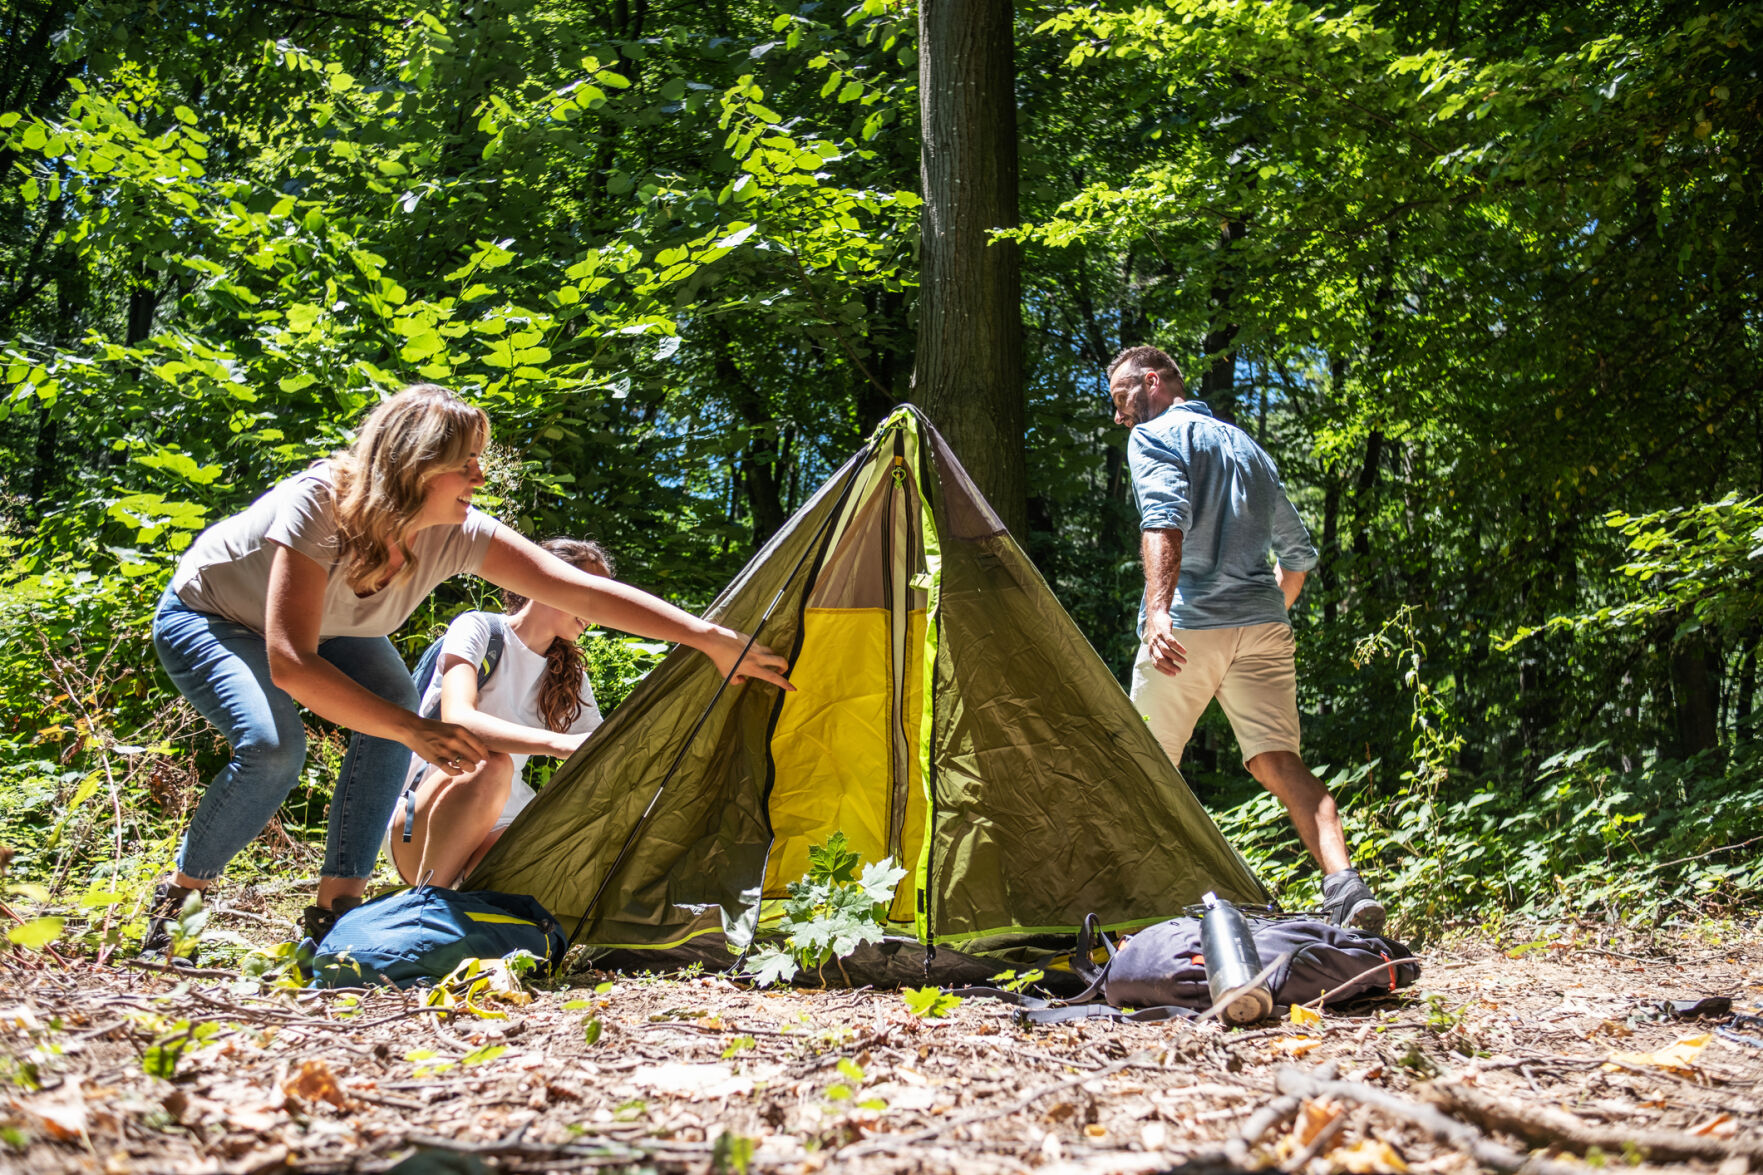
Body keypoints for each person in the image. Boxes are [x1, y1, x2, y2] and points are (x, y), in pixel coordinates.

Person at [147, 384, 791, 953]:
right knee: (273, 749)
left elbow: (581, 591)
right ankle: (180, 902)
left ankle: (332, 910)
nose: (479, 477)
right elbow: (291, 662)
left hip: (337, 628)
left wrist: (708, 638)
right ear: (414, 467)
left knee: (389, 723)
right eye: (465, 464)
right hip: (216, 615)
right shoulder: (320, 505)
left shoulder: (461, 531)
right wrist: (415, 729)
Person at [1106, 345, 1384, 932]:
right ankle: (1346, 888)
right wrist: (1264, 610)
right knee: (1279, 763)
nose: (1119, 416)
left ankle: (1140, 911)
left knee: (1143, 766)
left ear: (1151, 380)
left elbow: (1164, 519)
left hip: (1188, 626)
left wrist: (1160, 612)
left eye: (1120, 398)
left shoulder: (1155, 437)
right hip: (1262, 626)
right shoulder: (1246, 445)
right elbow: (1300, 554)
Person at [386, 537, 611, 890]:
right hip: (422, 823)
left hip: (505, 824)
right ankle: (424, 906)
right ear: (546, 580)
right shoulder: (479, 629)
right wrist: (558, 744)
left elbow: (603, 753)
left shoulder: (570, 676)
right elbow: (460, 719)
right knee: (492, 764)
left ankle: (464, 917)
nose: (596, 611)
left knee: (548, 854)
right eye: (588, 593)